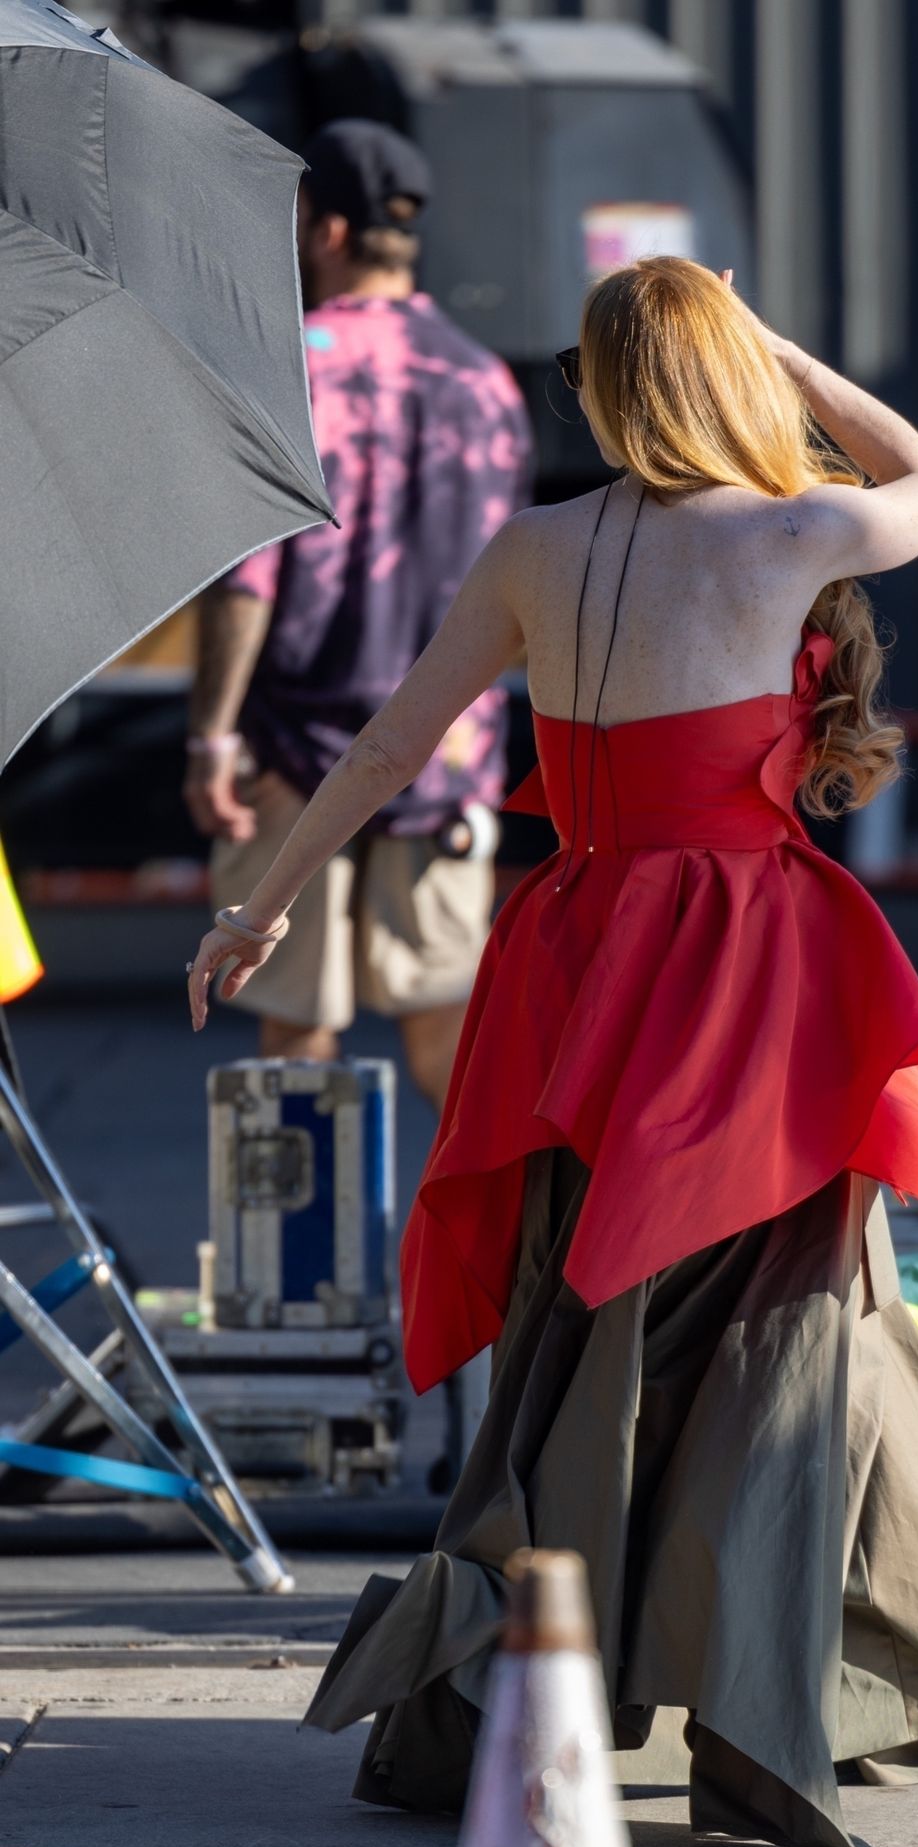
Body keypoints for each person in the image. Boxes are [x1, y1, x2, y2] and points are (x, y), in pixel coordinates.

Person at [188, 258, 918, 1847]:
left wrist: (259, 908)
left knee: (576, 1309)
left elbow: (388, 749)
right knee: (785, 1326)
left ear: (590, 392)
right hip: (748, 962)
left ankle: (528, 1681)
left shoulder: (533, 546)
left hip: (583, 951)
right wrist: (781, 356)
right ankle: (756, 1699)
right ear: (722, 378)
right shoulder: (795, 530)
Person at [185, 119, 533, 1113]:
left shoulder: (287, 370)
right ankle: (503, 1256)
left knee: (295, 1021)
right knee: (447, 1022)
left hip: (298, 748)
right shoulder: (484, 381)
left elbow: (249, 575)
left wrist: (211, 734)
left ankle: (306, 1269)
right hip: (448, 746)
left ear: (325, 225)